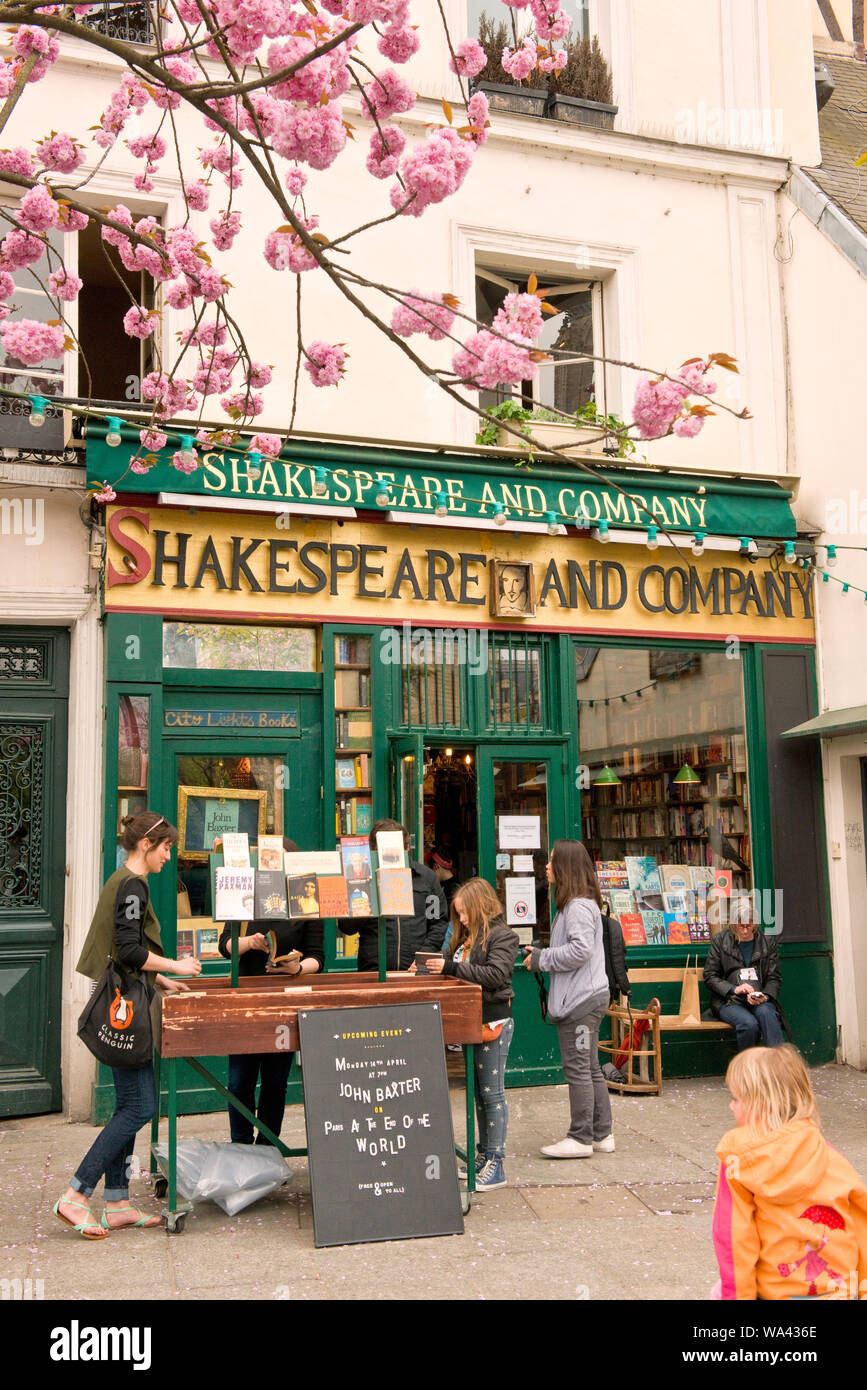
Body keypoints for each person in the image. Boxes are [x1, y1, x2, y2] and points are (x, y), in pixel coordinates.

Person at [56, 811, 202, 1238]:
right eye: (166, 848)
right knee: (140, 1107)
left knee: (128, 1106)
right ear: (146, 845)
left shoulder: (121, 879)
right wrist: (174, 962)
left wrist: (163, 980)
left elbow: (128, 953)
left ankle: (117, 1201)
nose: (168, 856)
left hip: (123, 1006)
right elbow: (128, 950)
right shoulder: (133, 886)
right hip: (128, 1015)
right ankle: (76, 1194)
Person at [712, 1045, 867, 1300]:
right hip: (840, 1291)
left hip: (775, 1290)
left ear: (758, 1103)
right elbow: (860, 1223)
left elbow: (733, 1238)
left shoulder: (738, 1158)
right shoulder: (828, 1155)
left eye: (736, 1098)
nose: (731, 1106)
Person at [219, 836, 324, 1145]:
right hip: (246, 999)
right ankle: (240, 1146)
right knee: (239, 1080)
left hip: (285, 997)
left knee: (276, 1081)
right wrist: (249, 942)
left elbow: (318, 956)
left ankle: (267, 1148)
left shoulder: (306, 897)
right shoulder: (244, 892)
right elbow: (226, 945)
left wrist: (297, 968)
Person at [416, 878, 519, 1191]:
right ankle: (482, 1156)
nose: (460, 919)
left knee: (493, 1093)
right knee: (479, 1094)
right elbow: (452, 966)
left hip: (493, 1022)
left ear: (479, 907)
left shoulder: (504, 936)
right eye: (457, 914)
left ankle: (496, 1163)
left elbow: (495, 976)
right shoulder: (467, 938)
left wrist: (449, 967)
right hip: (472, 1022)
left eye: (464, 913)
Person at [523, 839, 614, 1158]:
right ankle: (602, 1134)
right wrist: (543, 954)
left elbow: (580, 950)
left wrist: (542, 959)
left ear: (566, 867)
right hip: (588, 997)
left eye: (551, 861)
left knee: (578, 1069)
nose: (546, 866)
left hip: (581, 1001)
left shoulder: (576, 906)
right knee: (589, 1068)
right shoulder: (580, 903)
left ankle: (580, 1138)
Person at [339, 819, 447, 972]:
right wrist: (364, 889)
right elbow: (347, 927)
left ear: (407, 848)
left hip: (415, 970)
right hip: (373, 969)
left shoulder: (426, 878)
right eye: (383, 851)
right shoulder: (361, 878)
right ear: (373, 851)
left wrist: (423, 957)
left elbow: (438, 922)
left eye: (395, 850)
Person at [703, 894, 784, 1050]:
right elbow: (710, 976)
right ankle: (747, 1069)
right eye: (741, 925)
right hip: (729, 1001)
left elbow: (774, 978)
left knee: (768, 1015)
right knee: (748, 1024)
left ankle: (779, 1066)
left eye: (750, 925)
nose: (746, 930)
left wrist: (765, 996)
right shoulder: (720, 941)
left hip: (759, 999)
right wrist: (734, 989)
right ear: (733, 924)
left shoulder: (767, 942)